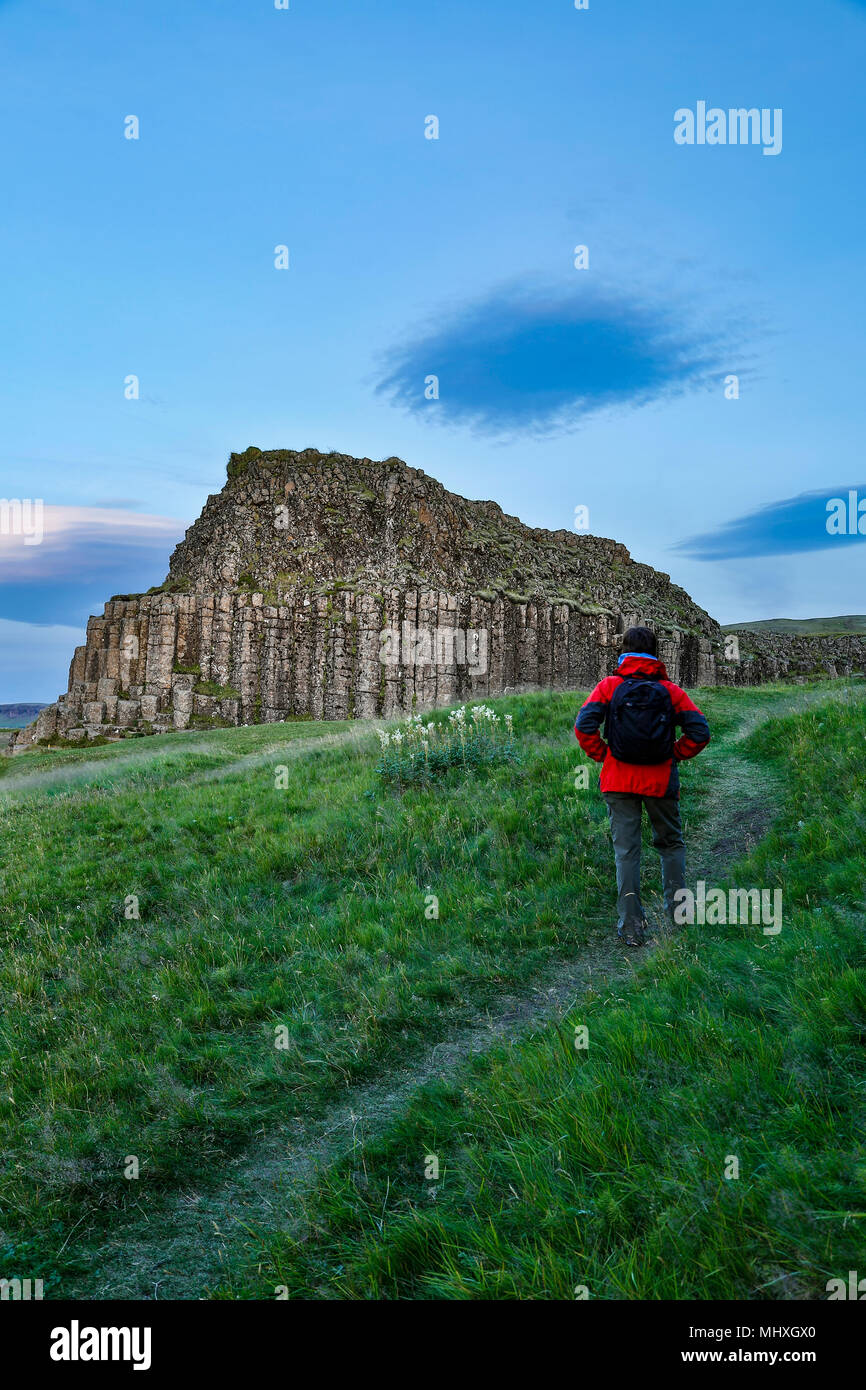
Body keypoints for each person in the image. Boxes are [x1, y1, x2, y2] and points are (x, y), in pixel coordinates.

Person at [574, 625, 710, 947]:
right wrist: (674, 753)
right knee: (671, 845)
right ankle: (678, 914)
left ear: (623, 652)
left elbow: (583, 725)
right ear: (655, 655)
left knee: (627, 852)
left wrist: (603, 755)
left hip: (618, 780)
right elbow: (700, 732)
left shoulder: (609, 687)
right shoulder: (671, 692)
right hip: (660, 780)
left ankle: (632, 927)